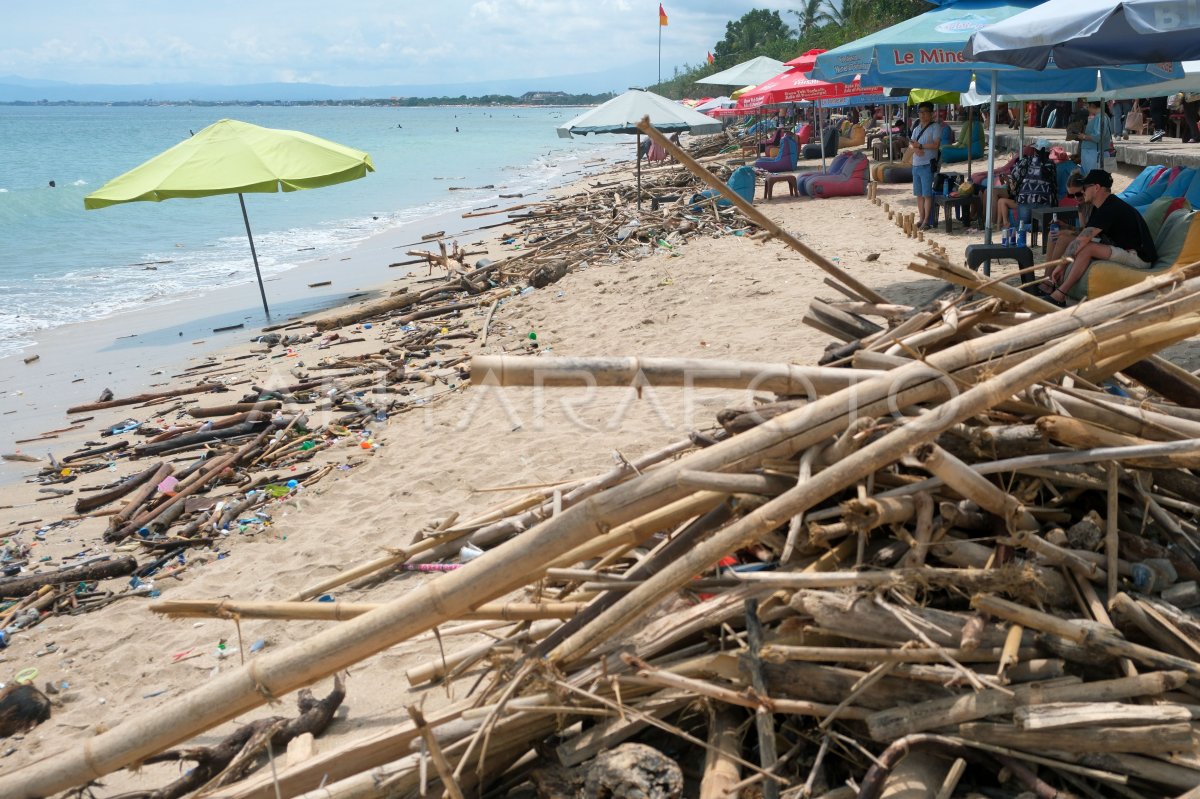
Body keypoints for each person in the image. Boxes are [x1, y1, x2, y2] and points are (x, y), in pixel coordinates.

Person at [1038, 169, 1156, 307]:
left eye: (1085, 188)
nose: (1083, 192)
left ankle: (1060, 294)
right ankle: (1055, 288)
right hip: (1122, 248)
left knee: (1087, 248)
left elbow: (1082, 239)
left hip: (1138, 257)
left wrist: (1061, 265)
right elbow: (1084, 235)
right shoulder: (1100, 207)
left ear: (1096, 187)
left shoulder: (1110, 207)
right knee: (1081, 245)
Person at [996, 139, 1056, 232]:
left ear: (1035, 150)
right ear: (1048, 152)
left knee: (1022, 225)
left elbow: (1014, 178)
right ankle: (1033, 227)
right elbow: (1053, 185)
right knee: (1044, 226)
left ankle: (1015, 228)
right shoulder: (1051, 165)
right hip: (1044, 201)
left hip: (1025, 200)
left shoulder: (1025, 161)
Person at [908, 101, 941, 231]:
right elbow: (911, 143)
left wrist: (920, 146)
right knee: (919, 194)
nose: (922, 115)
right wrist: (915, 149)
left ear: (931, 113)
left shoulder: (935, 127)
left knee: (927, 194)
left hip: (928, 164)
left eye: (925, 112)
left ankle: (927, 220)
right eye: (920, 112)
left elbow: (936, 145)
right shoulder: (917, 128)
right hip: (916, 164)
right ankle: (921, 218)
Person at [1045, 171, 1090, 263]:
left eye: (1078, 194)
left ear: (1085, 189)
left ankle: (1048, 274)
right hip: (1086, 235)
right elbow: (1082, 229)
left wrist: (1067, 231)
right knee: (1052, 234)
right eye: (1071, 195)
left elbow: (1088, 232)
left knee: (1063, 238)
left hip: (1095, 238)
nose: (1076, 198)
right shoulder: (1081, 206)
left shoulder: (1093, 204)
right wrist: (1065, 226)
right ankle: (1048, 270)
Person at [1079, 101, 1113, 174]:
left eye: (1088, 107)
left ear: (1093, 106)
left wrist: (1084, 136)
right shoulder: (1105, 117)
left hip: (1094, 152)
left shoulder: (1100, 117)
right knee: (1101, 177)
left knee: (1091, 176)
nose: (1088, 109)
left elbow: (1097, 136)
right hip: (1101, 151)